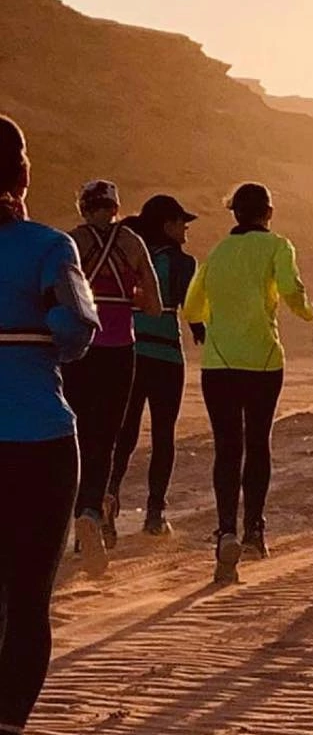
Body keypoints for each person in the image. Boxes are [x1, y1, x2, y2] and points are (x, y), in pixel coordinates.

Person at [0, 117, 99, 735]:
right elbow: (79, 328)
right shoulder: (48, 245)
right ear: (23, 177)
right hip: (35, 435)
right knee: (28, 599)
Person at [183, 182, 313, 584]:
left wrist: (201, 326)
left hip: (217, 364)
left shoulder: (218, 252)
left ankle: (225, 531)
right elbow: (291, 289)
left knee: (227, 448)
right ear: (268, 213)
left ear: (234, 213)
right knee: (257, 443)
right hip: (262, 359)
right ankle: (254, 530)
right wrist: (308, 313)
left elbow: (192, 302)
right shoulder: (278, 245)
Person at [66, 180, 161, 573]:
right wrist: (131, 298)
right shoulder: (132, 243)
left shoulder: (72, 242)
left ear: (84, 207)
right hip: (121, 348)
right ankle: (92, 508)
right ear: (117, 207)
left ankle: (75, 522)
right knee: (107, 435)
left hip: (79, 348)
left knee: (77, 432)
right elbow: (154, 305)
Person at [108, 195, 202, 538]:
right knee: (163, 435)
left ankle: (109, 497)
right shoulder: (182, 262)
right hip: (166, 355)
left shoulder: (129, 254)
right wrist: (198, 327)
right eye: (181, 222)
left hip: (130, 350)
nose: (186, 228)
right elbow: (189, 304)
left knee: (125, 432)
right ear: (167, 225)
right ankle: (155, 513)